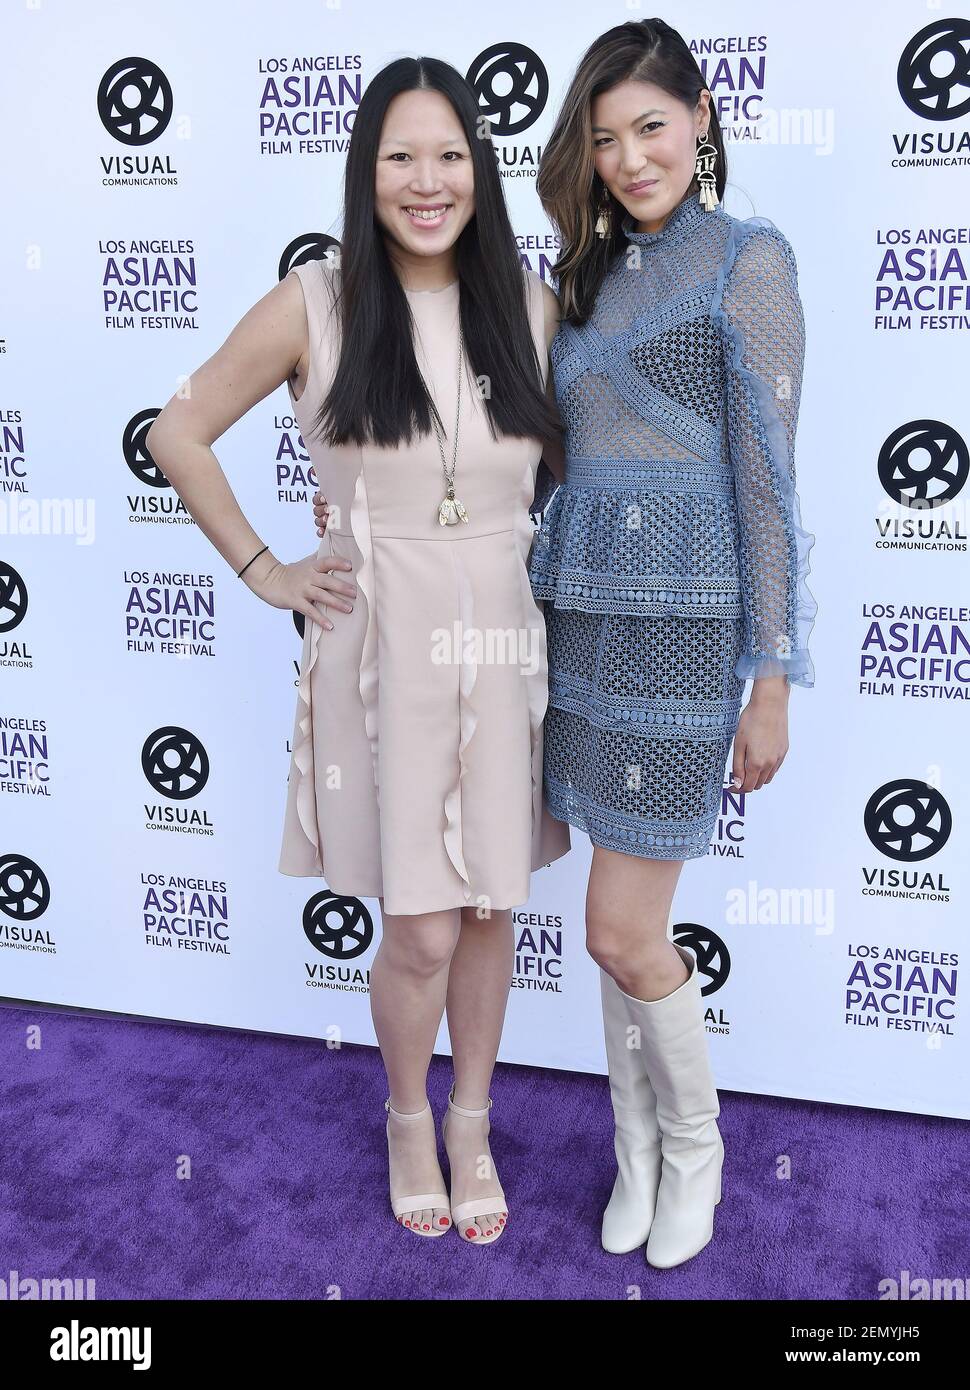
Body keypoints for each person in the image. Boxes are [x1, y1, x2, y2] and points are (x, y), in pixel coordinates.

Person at [146, 55, 569, 1247]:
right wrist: (266, 570)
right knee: (421, 927)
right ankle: (404, 1114)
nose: (426, 181)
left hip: (500, 638)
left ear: (479, 171)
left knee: (489, 910)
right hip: (375, 644)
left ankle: (472, 1120)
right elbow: (178, 430)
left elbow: (587, 473)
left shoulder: (530, 309)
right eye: (400, 156)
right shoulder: (315, 302)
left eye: (449, 155)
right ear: (364, 171)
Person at [528, 18, 818, 1268]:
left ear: (701, 115)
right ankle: (634, 1147)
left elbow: (768, 479)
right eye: (603, 140)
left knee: (617, 926)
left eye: (649, 126)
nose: (629, 158)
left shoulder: (747, 260)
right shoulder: (581, 277)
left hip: (687, 637)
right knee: (613, 927)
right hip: (580, 624)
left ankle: (694, 1149)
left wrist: (772, 678)